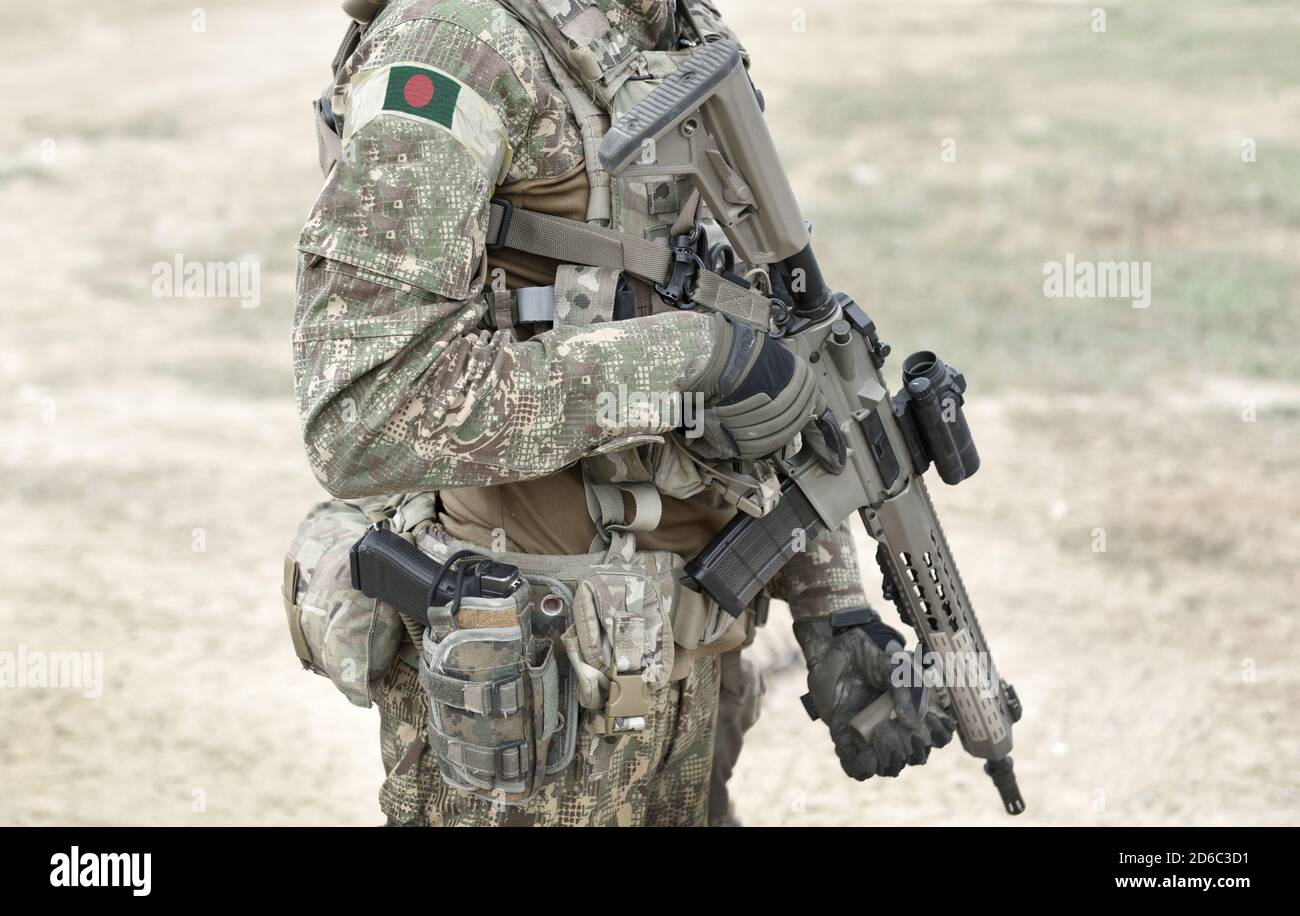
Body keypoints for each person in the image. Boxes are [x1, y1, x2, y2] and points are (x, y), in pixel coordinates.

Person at [290, 0, 952, 826]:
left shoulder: (677, 30)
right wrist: (690, 359)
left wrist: (829, 598)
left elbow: (772, 331)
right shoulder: (457, 44)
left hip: (696, 670)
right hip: (534, 698)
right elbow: (364, 414)